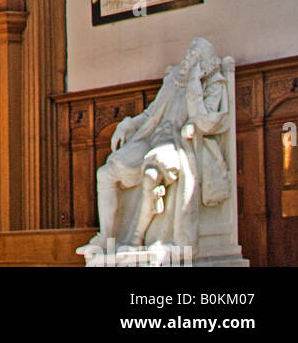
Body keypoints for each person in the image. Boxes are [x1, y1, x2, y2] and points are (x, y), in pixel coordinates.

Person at [90, 37, 230, 251]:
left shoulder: (213, 83)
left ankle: (135, 240)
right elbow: (151, 114)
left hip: (178, 143)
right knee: (105, 174)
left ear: (203, 62)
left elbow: (206, 121)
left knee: (151, 175)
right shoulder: (173, 79)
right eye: (188, 53)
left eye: (195, 56)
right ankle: (106, 240)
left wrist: (195, 85)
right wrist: (127, 124)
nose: (188, 58)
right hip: (152, 138)